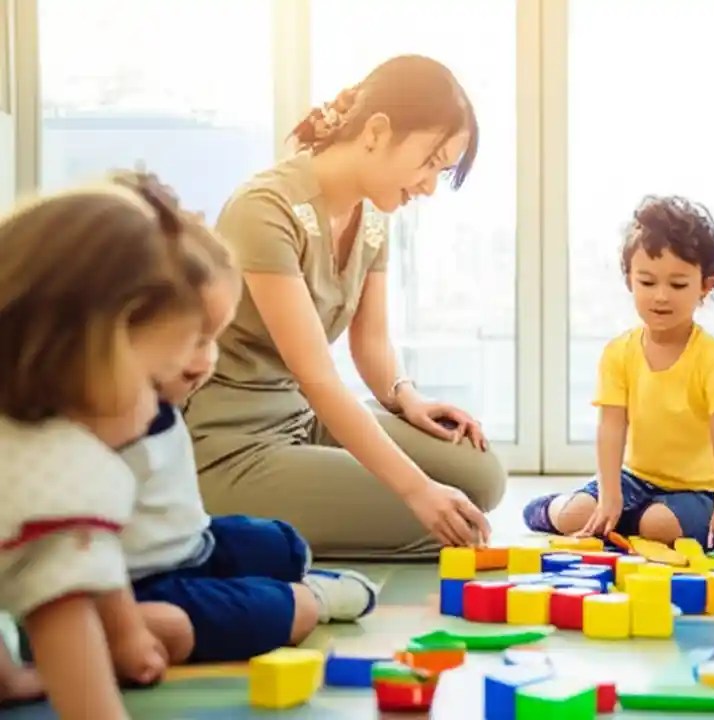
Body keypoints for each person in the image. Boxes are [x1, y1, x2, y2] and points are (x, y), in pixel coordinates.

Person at [185, 54, 506, 560]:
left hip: (303, 419)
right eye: (428, 163)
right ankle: (232, 513)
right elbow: (317, 375)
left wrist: (406, 396)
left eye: (439, 174)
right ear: (376, 131)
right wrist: (417, 490)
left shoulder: (374, 214)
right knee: (438, 518)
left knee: (480, 477)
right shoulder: (264, 210)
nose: (427, 187)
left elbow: (371, 342)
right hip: (235, 444)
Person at [110, 174, 379, 665]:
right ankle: (307, 600)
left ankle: (272, 583)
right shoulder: (100, 426)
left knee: (282, 545)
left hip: (187, 543)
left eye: (213, 339)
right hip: (132, 579)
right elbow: (76, 558)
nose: (206, 361)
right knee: (287, 609)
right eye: (192, 341)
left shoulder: (157, 396)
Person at [0, 177, 215, 718]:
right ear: (96, 344)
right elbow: (89, 702)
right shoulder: (56, 476)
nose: (153, 410)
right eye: (150, 382)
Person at [522, 196, 714, 559]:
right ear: (630, 279)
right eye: (647, 281)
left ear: (705, 286)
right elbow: (611, 427)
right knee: (580, 515)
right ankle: (554, 507)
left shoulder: (713, 358)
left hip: (695, 491)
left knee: (656, 526)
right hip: (634, 481)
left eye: (678, 285)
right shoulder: (620, 352)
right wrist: (610, 492)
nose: (660, 296)